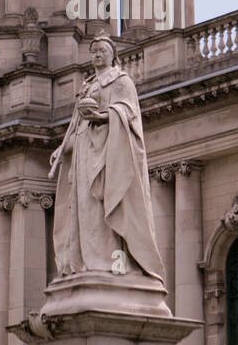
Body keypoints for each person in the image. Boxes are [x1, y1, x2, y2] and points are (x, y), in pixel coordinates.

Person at [50, 35, 164, 280]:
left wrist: (102, 117)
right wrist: (63, 149)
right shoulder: (87, 86)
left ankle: (107, 262)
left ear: (113, 55)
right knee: (85, 210)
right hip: (83, 152)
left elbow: (128, 113)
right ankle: (86, 262)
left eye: (102, 50)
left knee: (105, 206)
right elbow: (75, 126)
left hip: (107, 153)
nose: (97, 54)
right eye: (94, 51)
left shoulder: (121, 81)